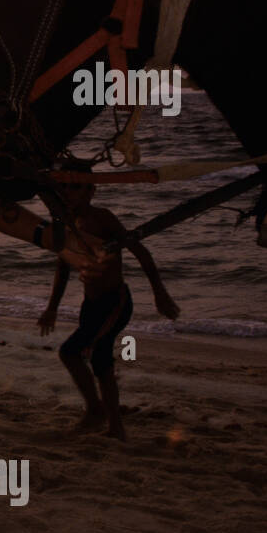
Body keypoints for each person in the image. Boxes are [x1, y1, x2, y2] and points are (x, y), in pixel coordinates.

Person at [37, 163, 180, 440]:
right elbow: (63, 266)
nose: (69, 192)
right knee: (101, 362)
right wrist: (52, 307)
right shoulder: (67, 222)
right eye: (64, 186)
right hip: (90, 305)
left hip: (114, 302)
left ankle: (96, 411)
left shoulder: (102, 219)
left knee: (70, 352)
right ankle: (115, 428)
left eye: (76, 186)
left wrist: (159, 293)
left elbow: (140, 250)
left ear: (92, 190)